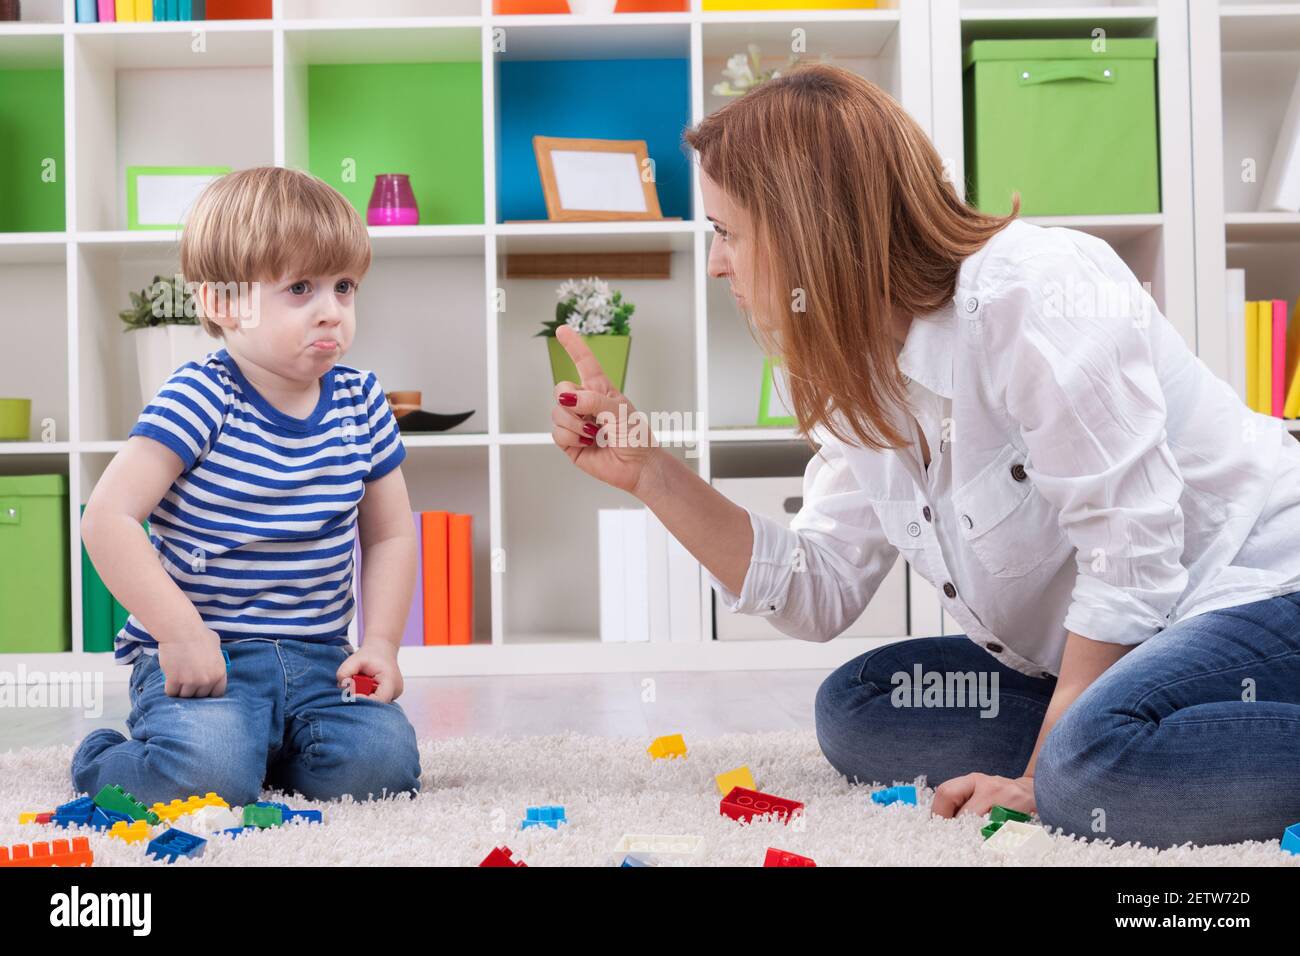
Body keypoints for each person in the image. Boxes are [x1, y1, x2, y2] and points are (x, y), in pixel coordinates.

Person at [549, 63, 1300, 849]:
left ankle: (1097, 752)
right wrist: (651, 474)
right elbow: (820, 588)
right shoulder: (854, 366)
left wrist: (1040, 778)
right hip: (1123, 648)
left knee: (1081, 775)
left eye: (727, 232)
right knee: (862, 706)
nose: (716, 264)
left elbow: (1133, 559)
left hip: (1255, 594)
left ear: (810, 226)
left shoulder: (1033, 292)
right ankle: (1133, 740)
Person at [73, 167, 421, 807]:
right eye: (300, 288)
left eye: (344, 287)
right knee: (203, 774)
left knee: (383, 765)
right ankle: (106, 758)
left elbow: (393, 535)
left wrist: (380, 646)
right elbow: (107, 518)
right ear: (222, 303)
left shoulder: (363, 402)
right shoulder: (200, 396)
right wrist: (180, 634)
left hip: (321, 662)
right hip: (208, 662)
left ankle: (265, 750)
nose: (331, 310)